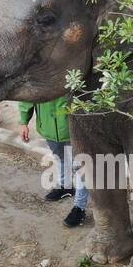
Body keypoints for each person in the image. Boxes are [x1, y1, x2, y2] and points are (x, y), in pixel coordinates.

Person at [20, 95, 88, 227]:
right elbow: (28, 93)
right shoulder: (36, 73)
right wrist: (24, 121)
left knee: (79, 167)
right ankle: (65, 187)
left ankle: (79, 207)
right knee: (59, 156)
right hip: (48, 127)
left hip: (73, 128)